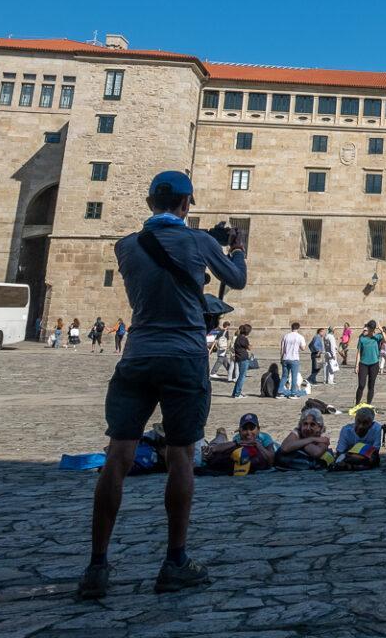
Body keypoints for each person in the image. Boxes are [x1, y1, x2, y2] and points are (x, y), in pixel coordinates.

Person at [81, 170, 246, 599]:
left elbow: (167, 247)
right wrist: (237, 247)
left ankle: (97, 566)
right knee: (181, 456)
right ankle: (174, 561)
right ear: (187, 203)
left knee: (117, 455)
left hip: (136, 356)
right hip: (184, 355)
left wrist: (199, 235)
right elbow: (236, 277)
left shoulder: (126, 246)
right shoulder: (200, 243)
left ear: (150, 201)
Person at [201, 411, 276, 474]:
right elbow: (215, 449)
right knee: (216, 443)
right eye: (245, 429)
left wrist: (258, 445)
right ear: (240, 431)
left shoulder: (265, 437)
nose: (248, 432)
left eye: (252, 428)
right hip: (223, 444)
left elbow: (271, 460)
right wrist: (237, 443)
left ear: (258, 430)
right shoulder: (238, 438)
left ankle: (221, 434)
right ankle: (221, 433)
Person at [353, 320, 381, 408]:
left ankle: (368, 404)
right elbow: (359, 352)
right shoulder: (362, 339)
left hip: (374, 364)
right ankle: (357, 404)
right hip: (363, 364)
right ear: (368, 328)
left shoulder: (377, 337)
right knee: (361, 385)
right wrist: (356, 365)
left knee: (371, 385)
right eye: (370, 328)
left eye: (373, 328)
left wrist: (381, 329)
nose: (371, 330)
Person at [276, 322, 305, 399]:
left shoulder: (285, 336)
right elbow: (303, 348)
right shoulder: (300, 337)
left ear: (291, 328)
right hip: (294, 359)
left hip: (285, 358)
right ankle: (293, 393)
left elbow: (282, 349)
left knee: (284, 376)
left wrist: (281, 358)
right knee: (294, 376)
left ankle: (279, 392)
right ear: (298, 328)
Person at [230, 324, 254, 398]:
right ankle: (237, 393)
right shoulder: (244, 339)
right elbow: (249, 348)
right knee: (242, 377)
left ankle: (235, 393)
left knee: (240, 376)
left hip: (239, 358)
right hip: (243, 358)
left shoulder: (238, 337)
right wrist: (251, 345)